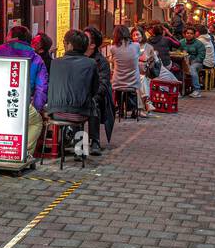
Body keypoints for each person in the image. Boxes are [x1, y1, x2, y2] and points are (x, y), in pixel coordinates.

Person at [0, 24, 49, 157]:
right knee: (36, 122)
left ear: (13, 37)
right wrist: (37, 108)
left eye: (8, 35)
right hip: (22, 104)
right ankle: (23, 153)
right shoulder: (36, 58)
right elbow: (41, 88)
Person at [46, 29, 99, 155]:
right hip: (79, 113)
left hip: (55, 112)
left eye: (65, 42)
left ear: (70, 45)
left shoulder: (55, 62)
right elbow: (94, 89)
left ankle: (73, 143)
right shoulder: (91, 63)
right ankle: (82, 150)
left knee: (78, 106)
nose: (64, 45)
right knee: (89, 107)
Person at [85, 25, 115, 153]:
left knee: (94, 105)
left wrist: (92, 97)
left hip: (95, 97)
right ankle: (74, 140)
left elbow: (103, 84)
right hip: (76, 96)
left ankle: (95, 140)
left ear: (92, 45)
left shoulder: (101, 62)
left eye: (85, 38)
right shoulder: (76, 56)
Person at [108, 24, 144, 119]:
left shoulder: (113, 48)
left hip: (118, 81)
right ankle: (133, 110)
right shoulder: (136, 46)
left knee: (119, 90)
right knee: (132, 91)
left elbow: (112, 60)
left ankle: (120, 110)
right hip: (133, 81)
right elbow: (139, 54)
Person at [131, 26, 158, 114]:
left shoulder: (149, 47)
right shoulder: (130, 46)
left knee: (141, 80)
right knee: (140, 80)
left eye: (137, 34)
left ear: (142, 35)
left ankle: (141, 108)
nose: (136, 37)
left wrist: (148, 59)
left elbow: (154, 60)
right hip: (131, 74)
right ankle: (147, 102)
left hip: (145, 73)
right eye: (134, 35)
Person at [182, 26, 205, 96]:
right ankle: (179, 89)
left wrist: (193, 61)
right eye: (187, 33)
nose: (189, 35)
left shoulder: (199, 43)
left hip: (196, 63)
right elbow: (176, 51)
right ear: (185, 34)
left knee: (192, 68)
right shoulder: (181, 42)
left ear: (194, 35)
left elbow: (201, 56)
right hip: (183, 62)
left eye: (191, 33)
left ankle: (197, 90)